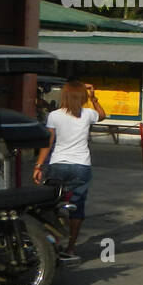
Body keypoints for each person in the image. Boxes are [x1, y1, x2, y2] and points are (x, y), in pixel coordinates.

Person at [33, 80, 107, 261]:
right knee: (77, 207)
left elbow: (48, 142)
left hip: (58, 165)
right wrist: (93, 97)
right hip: (82, 166)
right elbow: (103, 115)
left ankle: (53, 243)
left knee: (52, 204)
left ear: (64, 96)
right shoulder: (88, 114)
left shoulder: (54, 115)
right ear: (82, 96)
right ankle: (71, 248)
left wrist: (38, 166)